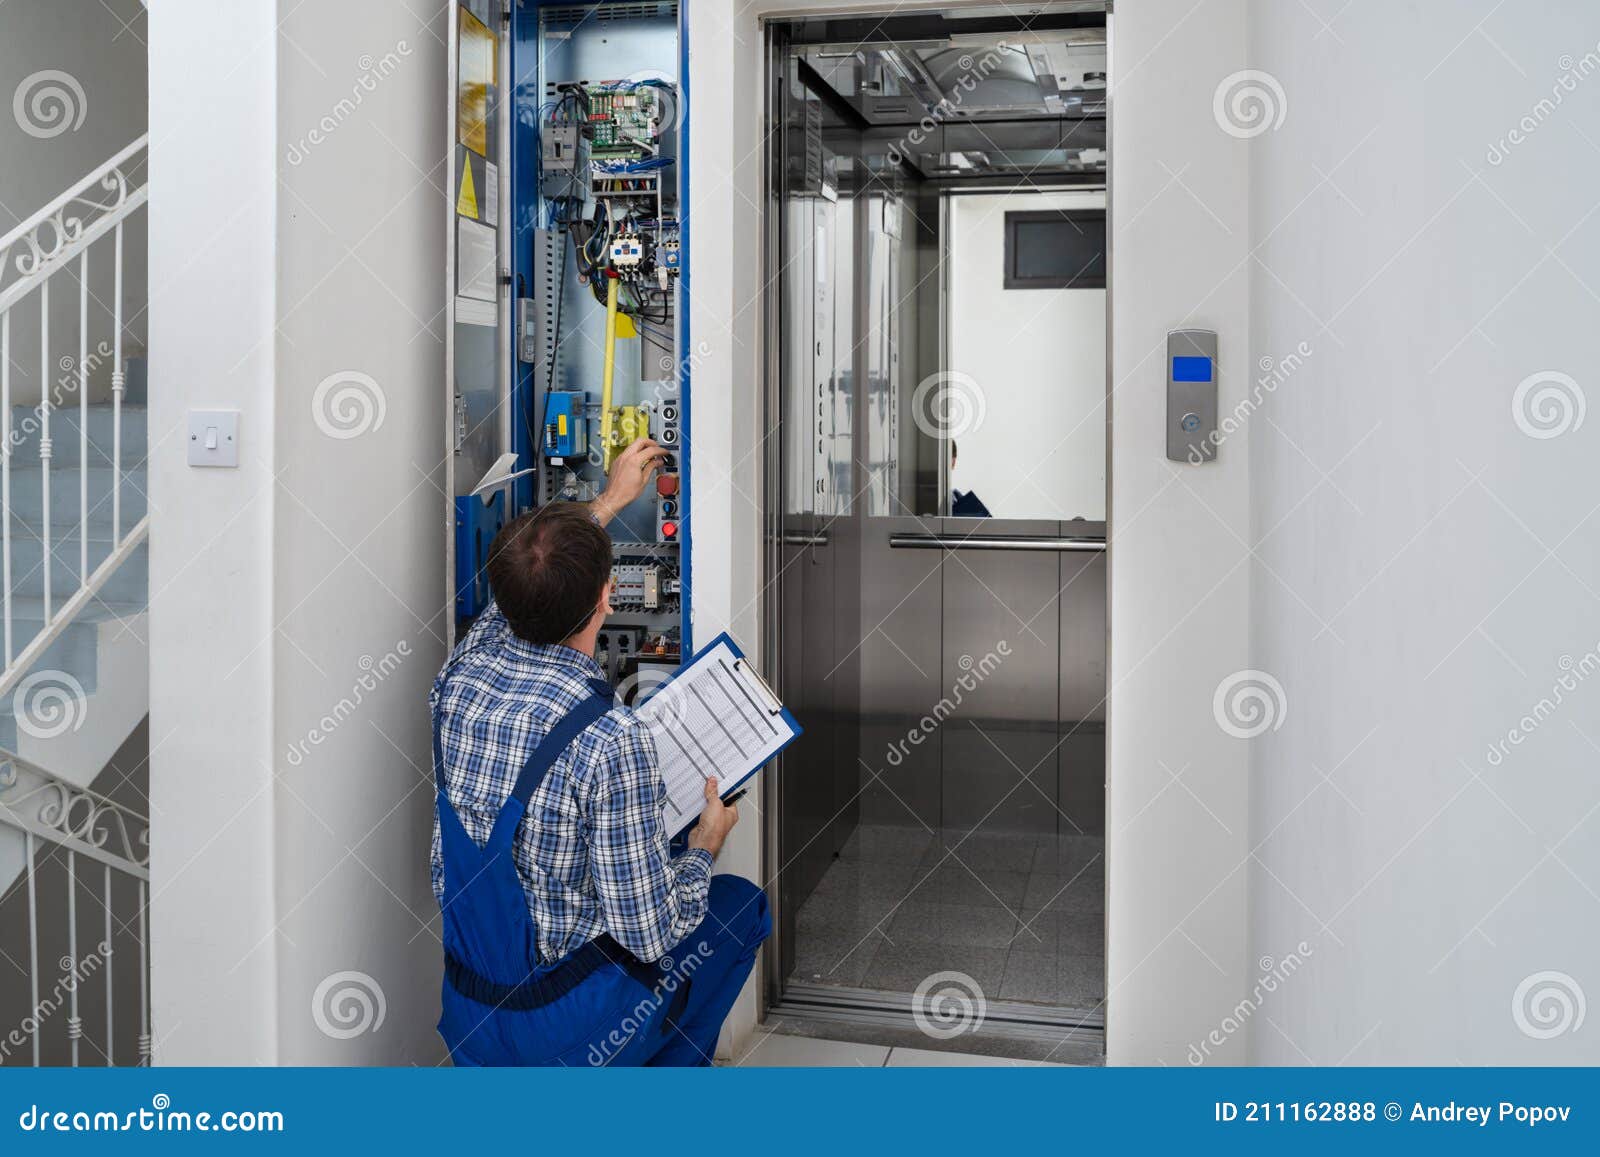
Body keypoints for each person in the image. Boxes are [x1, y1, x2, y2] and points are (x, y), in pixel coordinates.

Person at [430, 437, 770, 1066]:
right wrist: (704, 848)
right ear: (608, 599)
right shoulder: (612, 740)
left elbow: (513, 600)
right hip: (565, 1022)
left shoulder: (458, 678)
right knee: (740, 907)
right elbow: (649, 933)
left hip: (472, 1008)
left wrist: (608, 502)